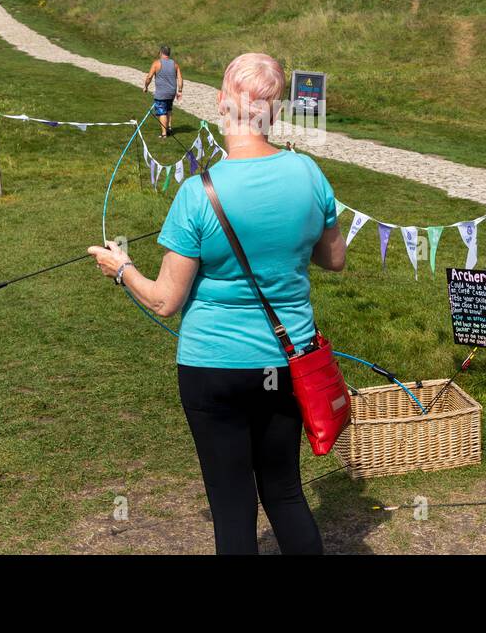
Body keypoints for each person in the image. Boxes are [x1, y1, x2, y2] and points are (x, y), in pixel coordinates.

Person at [90, 53, 346, 555]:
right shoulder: (309, 174)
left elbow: (165, 300)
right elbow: (333, 258)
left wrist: (122, 268)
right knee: (285, 492)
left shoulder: (197, 193)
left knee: (232, 506)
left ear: (222, 104)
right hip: (285, 361)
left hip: (214, 366)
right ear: (275, 113)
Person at [143, 46, 183, 138]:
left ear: (161, 52)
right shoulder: (175, 64)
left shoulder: (157, 63)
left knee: (162, 112)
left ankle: (164, 133)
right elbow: (180, 78)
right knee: (168, 109)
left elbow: (149, 77)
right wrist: (180, 90)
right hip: (172, 92)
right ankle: (169, 127)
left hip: (161, 92)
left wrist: (146, 86)